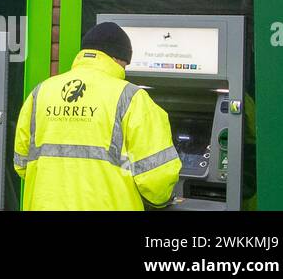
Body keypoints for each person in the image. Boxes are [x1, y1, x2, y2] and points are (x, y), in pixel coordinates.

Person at [14, 21, 181, 210]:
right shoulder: (132, 98)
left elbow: (21, 164)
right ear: (118, 59)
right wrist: (163, 198)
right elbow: (157, 178)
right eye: (125, 65)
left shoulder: (41, 92)